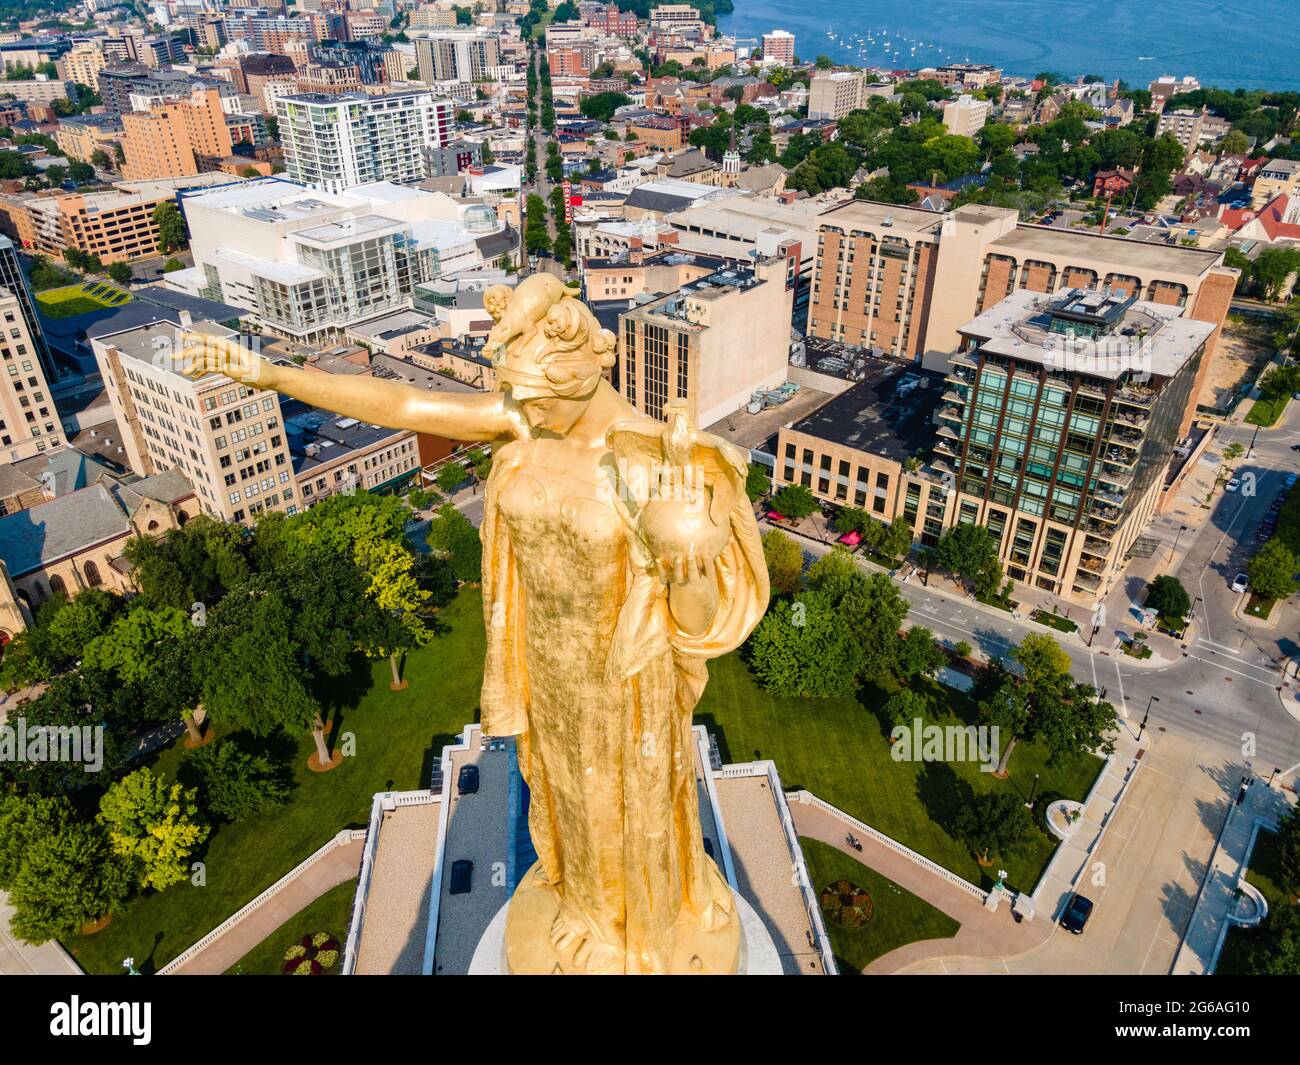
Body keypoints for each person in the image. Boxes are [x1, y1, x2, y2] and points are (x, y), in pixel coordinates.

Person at [178, 275, 769, 974]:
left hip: (625, 681)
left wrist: (686, 560)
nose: (521, 411)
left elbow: (698, 627)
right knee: (569, 800)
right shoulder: (530, 416)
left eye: (536, 398)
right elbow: (407, 402)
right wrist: (271, 373)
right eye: (517, 397)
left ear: (583, 377)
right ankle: (585, 904)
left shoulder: (659, 460)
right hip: (547, 664)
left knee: (626, 809)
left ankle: (633, 930)